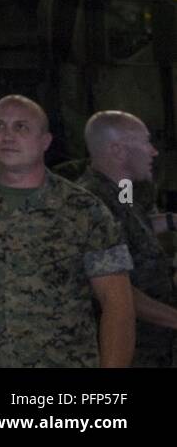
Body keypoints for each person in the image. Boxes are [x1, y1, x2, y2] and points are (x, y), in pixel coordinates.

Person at [0, 94, 135, 367]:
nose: (7, 136)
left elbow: (117, 303)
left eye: (21, 127)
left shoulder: (83, 210)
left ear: (45, 141)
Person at [79, 110, 177, 366]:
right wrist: (173, 318)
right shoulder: (91, 203)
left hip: (153, 344)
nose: (153, 151)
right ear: (119, 151)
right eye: (145, 142)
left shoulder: (117, 191)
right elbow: (116, 292)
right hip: (130, 351)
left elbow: (135, 229)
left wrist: (172, 221)